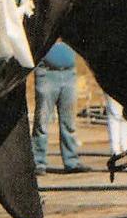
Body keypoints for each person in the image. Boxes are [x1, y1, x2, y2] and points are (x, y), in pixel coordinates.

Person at [31, 40, 90, 175]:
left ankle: (71, 161)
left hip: (69, 74)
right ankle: (38, 162)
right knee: (42, 122)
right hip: (47, 74)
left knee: (69, 123)